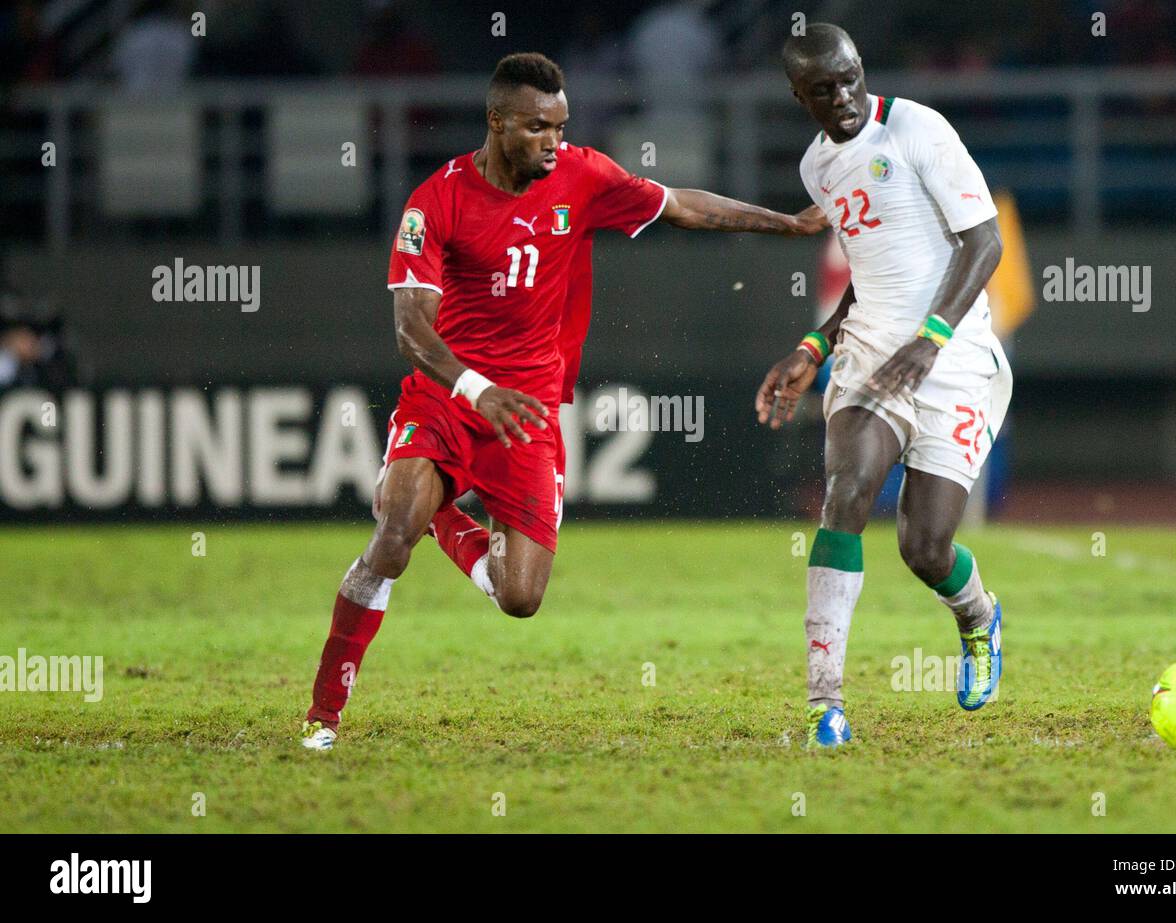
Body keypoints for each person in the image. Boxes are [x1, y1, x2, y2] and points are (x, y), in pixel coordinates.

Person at [302, 52, 825, 750]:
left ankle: (442, 518)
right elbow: (410, 330)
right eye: (537, 128)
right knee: (392, 537)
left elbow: (683, 206)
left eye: (560, 126)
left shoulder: (582, 176)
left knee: (519, 598)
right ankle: (323, 715)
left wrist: (787, 224)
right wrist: (476, 388)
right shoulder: (436, 201)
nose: (553, 141)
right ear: (496, 122)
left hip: (528, 410)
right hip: (447, 398)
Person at [754, 23, 1013, 748]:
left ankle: (979, 616)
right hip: (871, 354)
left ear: (861, 68)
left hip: (954, 354)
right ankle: (825, 703)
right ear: (799, 96)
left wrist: (932, 338)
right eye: (823, 89)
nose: (842, 97)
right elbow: (867, 276)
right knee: (845, 494)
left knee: (924, 548)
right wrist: (814, 346)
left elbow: (985, 241)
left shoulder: (919, 129)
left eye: (849, 79)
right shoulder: (817, 167)